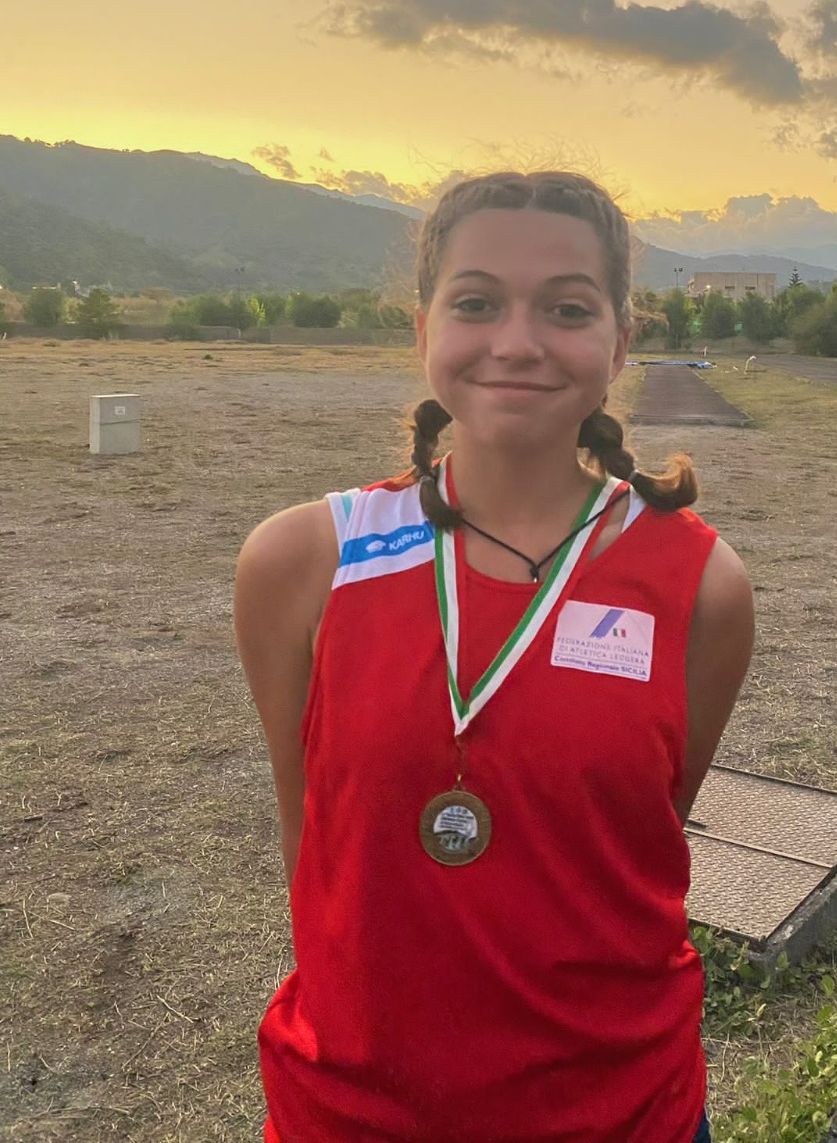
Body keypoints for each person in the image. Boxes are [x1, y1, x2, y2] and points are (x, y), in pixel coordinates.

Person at [234, 170, 756, 1143]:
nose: (517, 342)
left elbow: (637, 847)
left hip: (622, 1115)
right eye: (476, 303)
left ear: (621, 341)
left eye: (567, 308)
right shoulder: (303, 563)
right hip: (351, 1115)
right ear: (423, 328)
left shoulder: (701, 587)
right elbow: (315, 847)